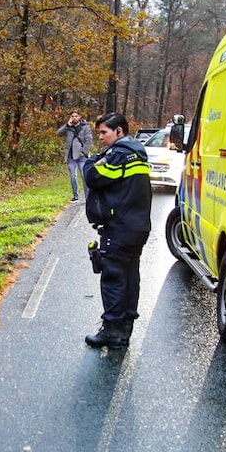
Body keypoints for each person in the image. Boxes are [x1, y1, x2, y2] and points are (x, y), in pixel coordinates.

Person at [82, 112, 152, 348]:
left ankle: (112, 332)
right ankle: (124, 331)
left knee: (113, 277)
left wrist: (93, 159)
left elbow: (93, 176)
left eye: (104, 132)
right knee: (130, 276)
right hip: (137, 227)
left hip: (120, 227)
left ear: (119, 131)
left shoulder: (118, 155)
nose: (101, 137)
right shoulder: (137, 153)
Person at [57, 111, 93, 201]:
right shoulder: (68, 127)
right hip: (70, 155)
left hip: (82, 156)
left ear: (79, 117)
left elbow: (89, 140)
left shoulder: (85, 127)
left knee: (84, 176)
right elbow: (58, 133)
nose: (74, 118)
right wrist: (67, 125)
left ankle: (87, 197)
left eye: (76, 116)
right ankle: (75, 196)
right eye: (72, 116)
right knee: (73, 176)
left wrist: (84, 151)